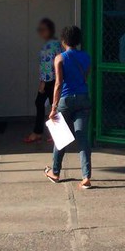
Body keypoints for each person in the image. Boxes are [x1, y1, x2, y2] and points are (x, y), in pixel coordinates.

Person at [45, 25, 92, 187]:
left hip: (65, 100)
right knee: (83, 138)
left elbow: (58, 84)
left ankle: (55, 172)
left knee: (61, 137)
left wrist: (53, 108)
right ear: (78, 40)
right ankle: (86, 177)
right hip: (84, 98)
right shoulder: (87, 57)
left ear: (64, 40)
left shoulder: (60, 58)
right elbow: (84, 78)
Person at [25, 18, 63, 144]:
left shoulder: (49, 46)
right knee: (52, 104)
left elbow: (47, 66)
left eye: (43, 29)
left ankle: (39, 132)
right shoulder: (56, 44)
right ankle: (49, 132)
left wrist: (43, 82)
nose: (40, 32)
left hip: (49, 80)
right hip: (55, 78)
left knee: (42, 103)